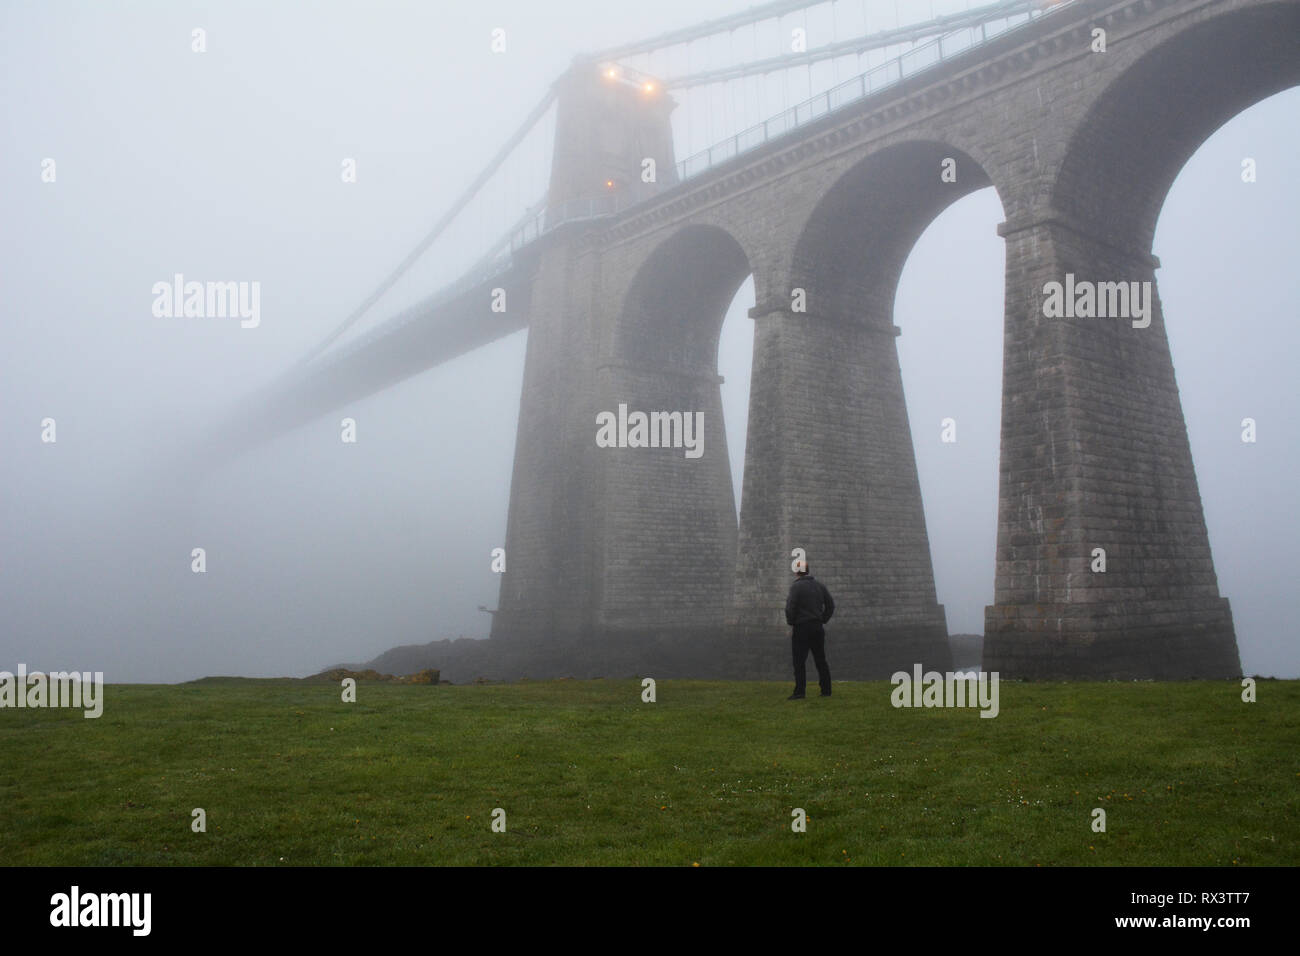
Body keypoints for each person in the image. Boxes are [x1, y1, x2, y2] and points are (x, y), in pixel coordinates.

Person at [784, 560, 834, 699]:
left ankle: (800, 692)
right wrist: (823, 619)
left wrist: (791, 622)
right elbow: (830, 605)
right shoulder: (819, 586)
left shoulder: (796, 587)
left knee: (799, 661)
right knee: (820, 659)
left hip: (802, 628)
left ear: (796, 571)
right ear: (807, 570)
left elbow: (790, 608)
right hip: (817, 627)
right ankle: (826, 690)